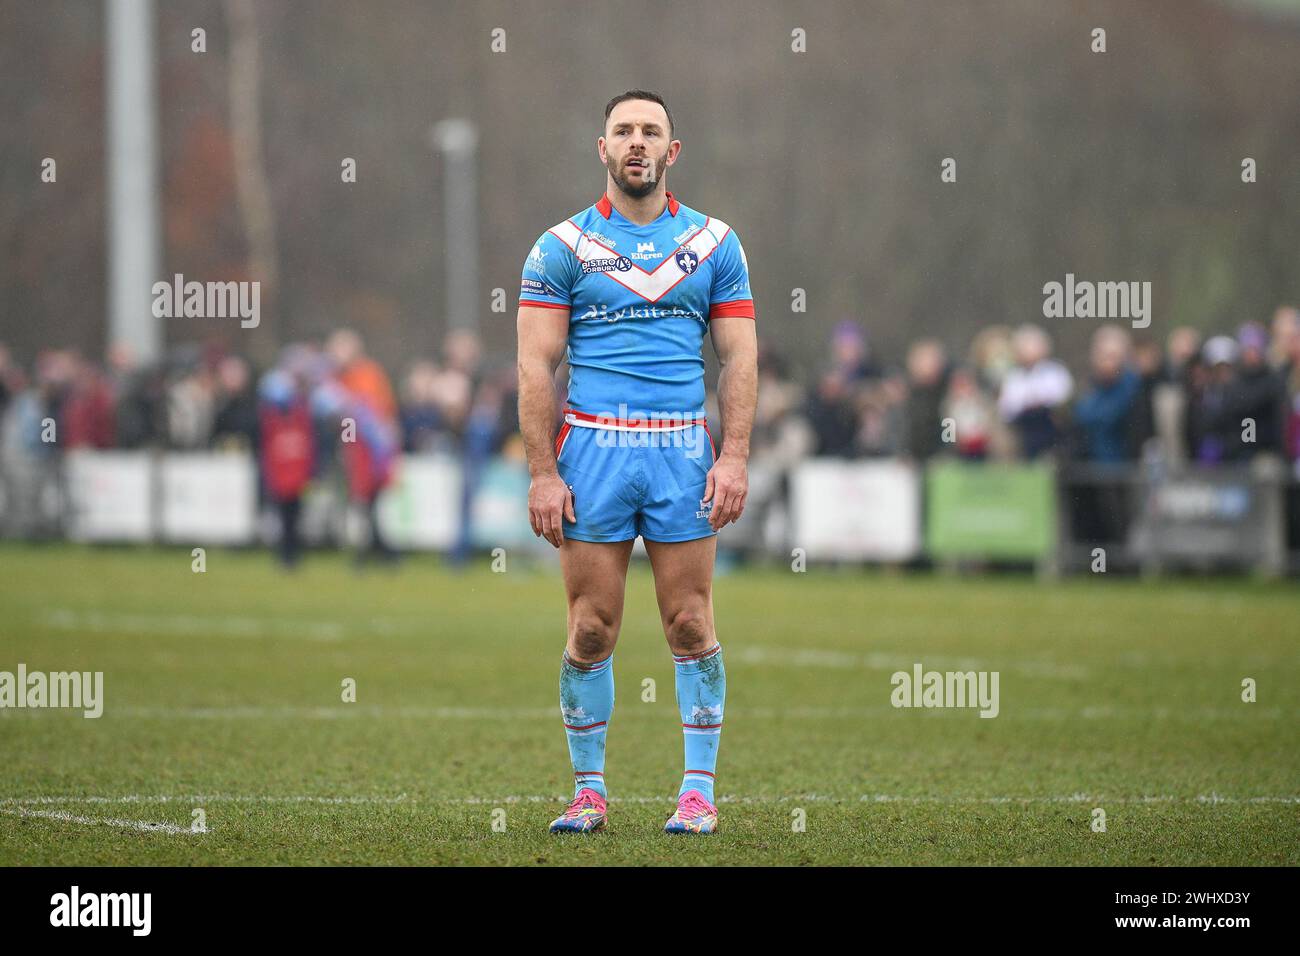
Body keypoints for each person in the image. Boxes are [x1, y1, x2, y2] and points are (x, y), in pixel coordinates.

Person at [516, 90, 757, 836]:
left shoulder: (716, 243)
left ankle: (697, 793)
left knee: (689, 621)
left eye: (651, 132)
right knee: (591, 627)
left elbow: (740, 355)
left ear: (672, 151)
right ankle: (589, 791)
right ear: (603, 147)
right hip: (593, 450)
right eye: (624, 131)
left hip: (682, 448)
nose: (637, 143)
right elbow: (534, 365)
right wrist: (542, 473)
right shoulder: (561, 247)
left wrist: (737, 454)